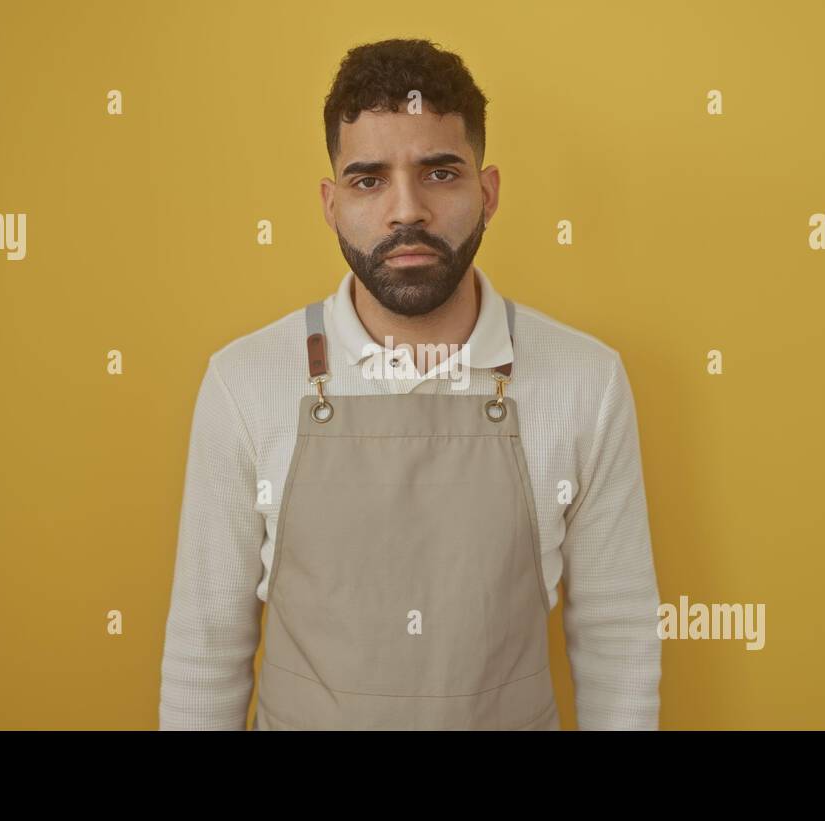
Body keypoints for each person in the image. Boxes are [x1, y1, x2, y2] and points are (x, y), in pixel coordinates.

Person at [159, 38, 660, 730]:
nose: (406, 211)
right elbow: (204, 649)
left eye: (440, 173)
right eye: (369, 180)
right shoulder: (243, 383)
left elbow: (620, 642)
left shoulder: (587, 381)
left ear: (487, 192)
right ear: (331, 204)